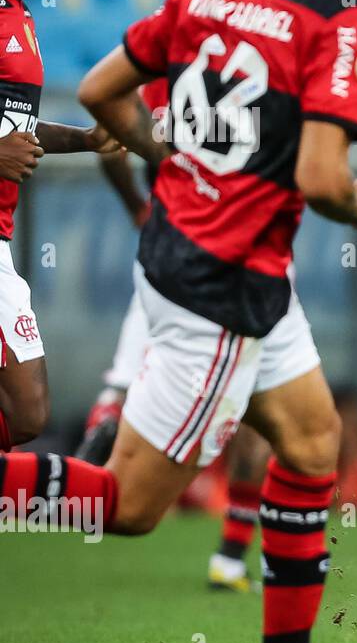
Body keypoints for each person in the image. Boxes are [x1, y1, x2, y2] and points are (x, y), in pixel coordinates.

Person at [0, 0, 357, 643]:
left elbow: (100, 92)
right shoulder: (343, 23)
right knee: (127, 504)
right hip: (223, 281)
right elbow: (322, 177)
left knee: (313, 440)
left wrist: (170, 157)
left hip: (197, 254)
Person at [77, 77, 272, 593]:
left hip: (170, 251)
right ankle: (230, 558)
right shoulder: (257, 70)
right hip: (235, 263)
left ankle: (93, 448)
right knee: (267, 421)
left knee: (123, 393)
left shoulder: (160, 73)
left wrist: (139, 208)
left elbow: (109, 141)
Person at [0, 0, 121, 451]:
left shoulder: (19, 16)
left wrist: (85, 139)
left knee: (26, 415)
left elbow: (16, 128)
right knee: (27, 409)